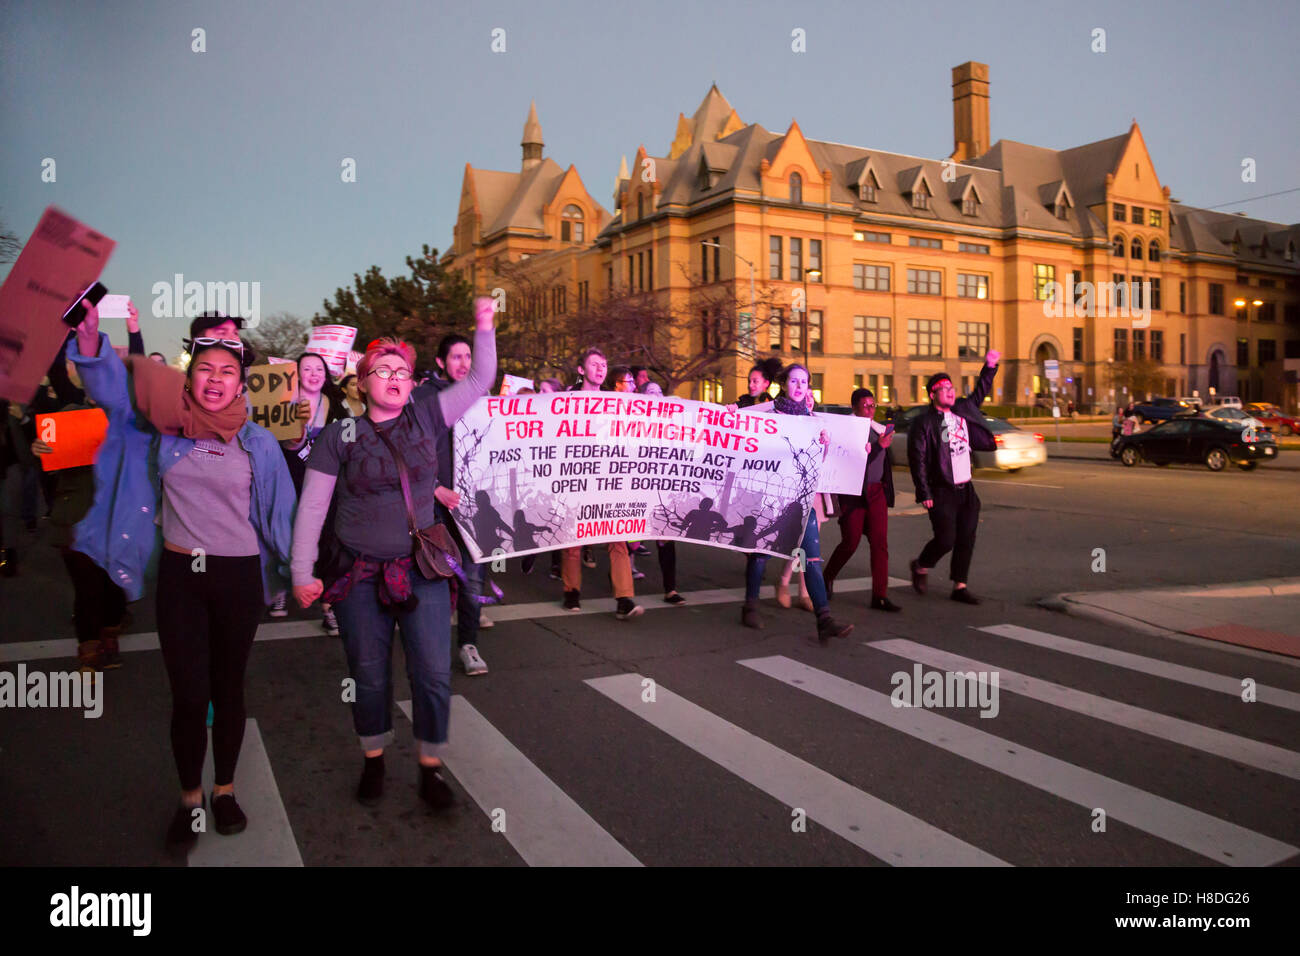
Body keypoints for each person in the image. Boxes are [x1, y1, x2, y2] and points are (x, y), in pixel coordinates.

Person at [69, 299, 296, 851]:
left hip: (239, 579)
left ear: (242, 383)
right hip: (181, 578)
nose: (215, 381)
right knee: (190, 696)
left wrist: (305, 572)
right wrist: (93, 345)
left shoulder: (259, 442)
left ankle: (225, 790)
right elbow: (112, 396)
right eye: (205, 370)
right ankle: (190, 798)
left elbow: (283, 513)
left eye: (227, 372)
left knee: (228, 689)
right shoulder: (164, 430)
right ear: (189, 376)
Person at [292, 300, 496, 809]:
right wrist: (301, 572)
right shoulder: (340, 434)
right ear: (362, 383)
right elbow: (313, 507)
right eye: (381, 370)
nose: (394, 378)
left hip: (423, 570)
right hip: (358, 576)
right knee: (368, 672)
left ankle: (431, 767)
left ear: (411, 381)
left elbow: (479, 382)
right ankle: (374, 759)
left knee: (431, 670)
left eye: (402, 371)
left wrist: (485, 325)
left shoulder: (428, 415)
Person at [732, 364, 852, 642]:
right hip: (771, 495)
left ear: (808, 387)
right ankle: (750, 605)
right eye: (794, 381)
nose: (799, 386)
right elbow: (745, 436)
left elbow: (817, 463)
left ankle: (824, 618)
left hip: (800, 499)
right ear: (784, 384)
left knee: (811, 558)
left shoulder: (813, 419)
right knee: (761, 551)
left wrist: (823, 445)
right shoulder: (769, 413)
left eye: (804, 382)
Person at [908, 351, 1000, 605]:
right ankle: (921, 565)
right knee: (946, 538)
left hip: (965, 488)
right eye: (942, 388)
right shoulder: (924, 424)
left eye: (951, 386)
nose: (949, 391)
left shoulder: (962, 411)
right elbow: (918, 460)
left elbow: (981, 390)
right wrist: (923, 492)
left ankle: (960, 586)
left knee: (967, 536)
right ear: (932, 395)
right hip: (941, 489)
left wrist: (990, 366)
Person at [561, 349, 642, 618]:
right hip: (577, 477)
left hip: (608, 479)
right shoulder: (565, 399)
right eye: (594, 364)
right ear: (582, 370)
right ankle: (571, 591)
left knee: (617, 537)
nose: (600, 369)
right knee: (573, 538)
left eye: (604, 365)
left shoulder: (614, 402)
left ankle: (624, 599)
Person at [275, 351, 349, 632]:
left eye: (319, 369)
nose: (314, 374)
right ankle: (280, 586)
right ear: (296, 374)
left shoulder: (337, 405)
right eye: (307, 369)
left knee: (327, 536)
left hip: (326, 483)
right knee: (286, 531)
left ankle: (328, 605)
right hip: (289, 478)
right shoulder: (281, 403)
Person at [823, 388, 901, 612]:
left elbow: (883, 464)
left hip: (876, 492)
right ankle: (827, 577)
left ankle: (880, 595)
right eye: (866, 405)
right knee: (851, 541)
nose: (870, 409)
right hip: (853, 492)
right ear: (854, 407)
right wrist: (878, 448)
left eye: (873, 405)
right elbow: (853, 461)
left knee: (879, 543)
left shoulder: (880, 430)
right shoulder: (846, 430)